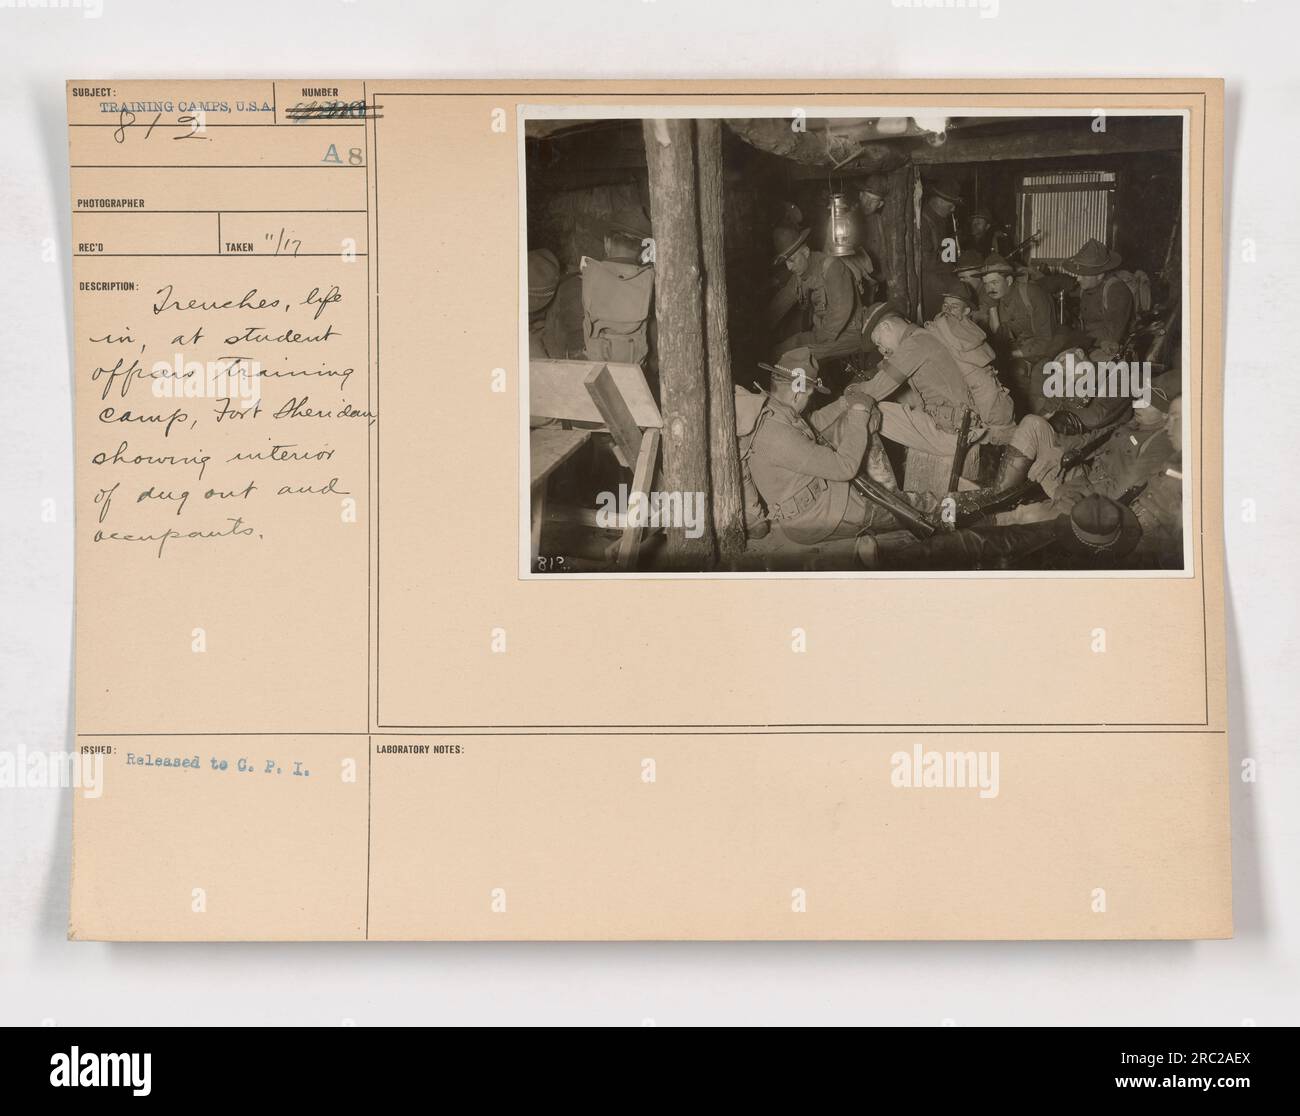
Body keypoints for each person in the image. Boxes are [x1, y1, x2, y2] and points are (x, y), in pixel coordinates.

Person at [737, 348, 932, 546]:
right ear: (797, 395)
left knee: (897, 502)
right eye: (809, 396)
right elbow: (844, 468)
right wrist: (858, 413)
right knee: (915, 512)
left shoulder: (771, 410)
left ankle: (891, 495)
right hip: (819, 516)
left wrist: (844, 403)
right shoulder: (776, 435)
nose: (808, 401)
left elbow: (809, 424)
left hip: (819, 499)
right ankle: (948, 509)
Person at [858, 493, 1142, 570]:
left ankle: (895, 563)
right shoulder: (1088, 526)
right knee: (977, 540)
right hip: (1049, 540)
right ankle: (898, 559)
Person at [850, 301, 982, 456]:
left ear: (886, 327)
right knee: (901, 397)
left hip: (954, 435)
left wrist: (850, 390)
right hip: (962, 423)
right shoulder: (923, 335)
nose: (883, 350)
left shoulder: (914, 345)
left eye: (879, 343)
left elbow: (874, 391)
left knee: (868, 407)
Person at [925, 279, 1016, 442]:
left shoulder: (962, 328)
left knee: (999, 436)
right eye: (945, 305)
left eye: (953, 306)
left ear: (966, 310)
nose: (947, 310)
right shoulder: (950, 324)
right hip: (974, 397)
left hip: (989, 400)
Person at [768, 225, 865, 366]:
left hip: (848, 333)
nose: (789, 267)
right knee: (776, 353)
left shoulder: (832, 267)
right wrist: (759, 330)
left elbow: (841, 312)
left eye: (792, 260)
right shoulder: (800, 276)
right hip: (821, 333)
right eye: (786, 263)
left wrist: (819, 338)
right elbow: (780, 304)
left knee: (793, 360)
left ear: (806, 253)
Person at [580, 207, 656, 366]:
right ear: (644, 252)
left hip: (595, 372)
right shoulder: (653, 283)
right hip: (637, 375)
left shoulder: (586, 276)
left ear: (607, 243)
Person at [1063, 237, 1135, 358]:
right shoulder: (1086, 288)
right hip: (1088, 343)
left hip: (1110, 349)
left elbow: (1113, 337)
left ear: (1100, 275)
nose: (1078, 279)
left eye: (1084, 275)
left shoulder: (1116, 291)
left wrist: (1082, 343)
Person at [919, 178, 963, 320]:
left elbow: (947, 255)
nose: (953, 209)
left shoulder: (943, 221)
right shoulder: (922, 221)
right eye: (951, 204)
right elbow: (925, 263)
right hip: (928, 284)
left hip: (942, 278)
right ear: (938, 200)